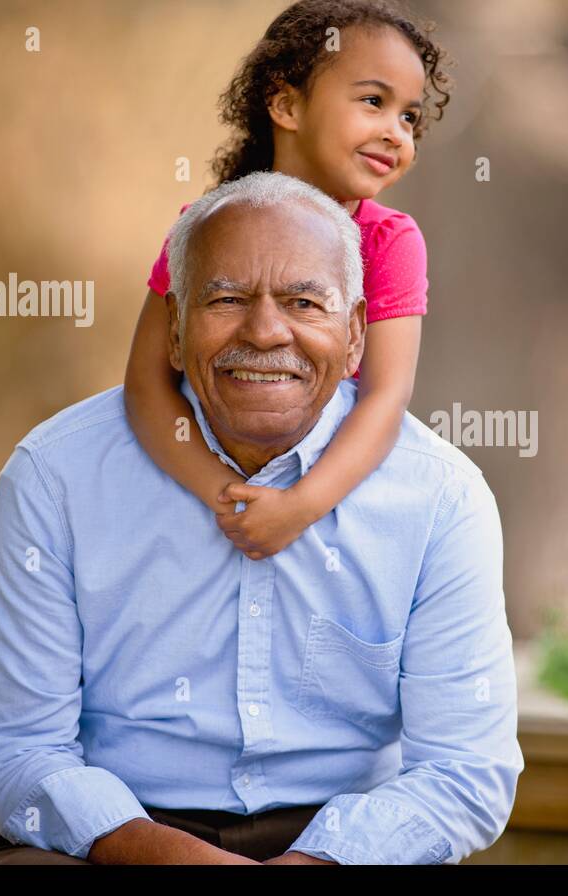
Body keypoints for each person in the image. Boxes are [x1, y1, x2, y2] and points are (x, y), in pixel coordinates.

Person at [0, 171, 523, 865]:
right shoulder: (54, 477)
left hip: (346, 844)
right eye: (225, 298)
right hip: (115, 838)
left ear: (354, 339)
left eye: (303, 302)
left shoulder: (441, 498)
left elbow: (463, 774)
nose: (264, 330)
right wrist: (157, 852)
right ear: (172, 331)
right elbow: (17, 751)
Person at [125, 0, 450, 561]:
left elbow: (386, 398)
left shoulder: (389, 242)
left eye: (409, 117)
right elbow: (146, 385)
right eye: (373, 102)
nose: (397, 134)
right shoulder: (203, 230)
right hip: (206, 508)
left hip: (329, 510)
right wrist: (225, 497)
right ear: (285, 103)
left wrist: (300, 507)